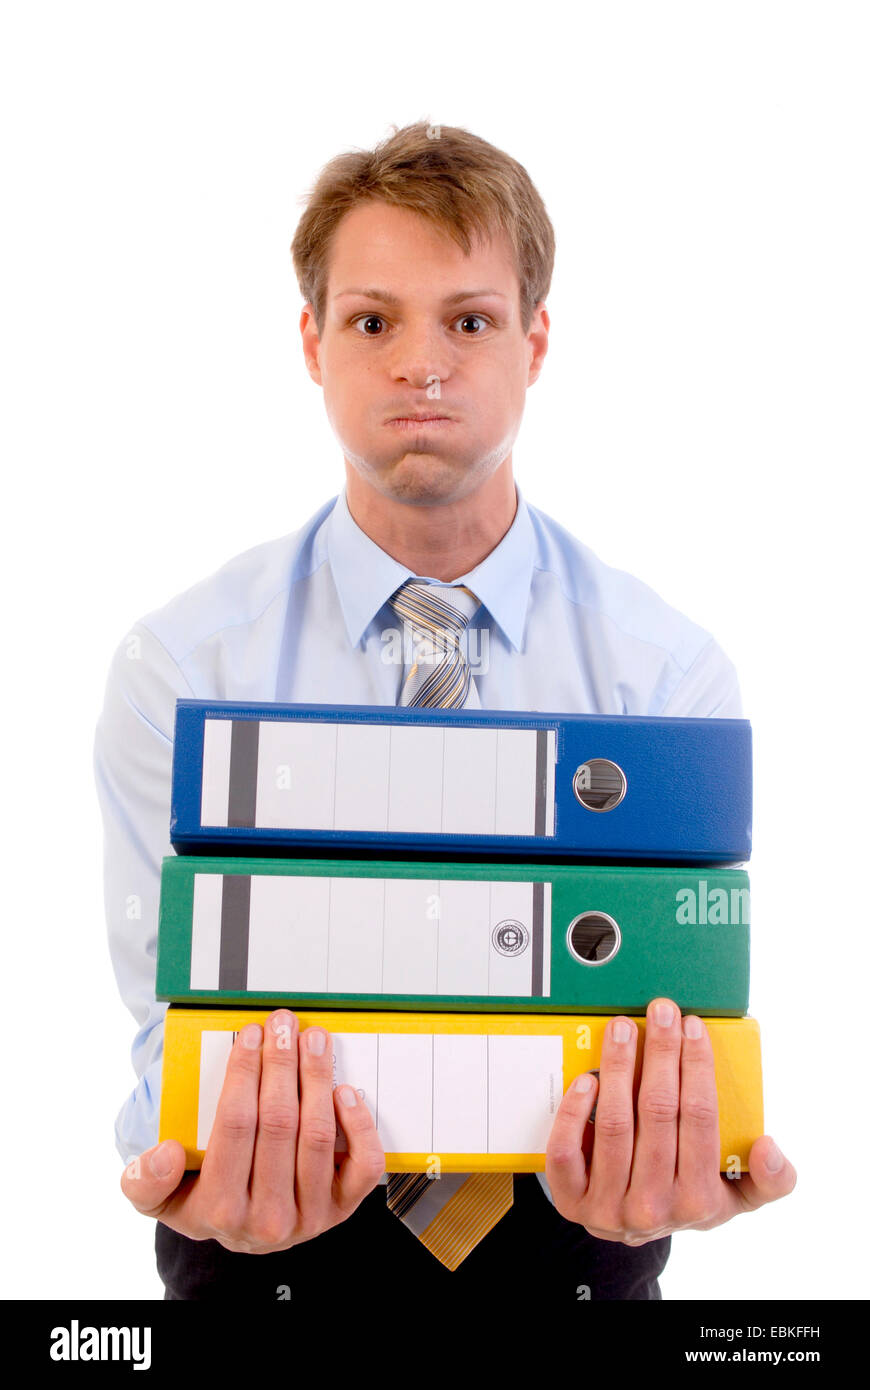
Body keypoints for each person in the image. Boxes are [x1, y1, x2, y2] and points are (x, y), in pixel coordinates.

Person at [93, 120, 796, 1304]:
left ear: (536, 342)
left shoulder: (666, 681)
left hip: (577, 1250)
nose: (423, 362)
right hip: (263, 1253)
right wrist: (190, 1157)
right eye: (375, 321)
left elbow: (686, 991)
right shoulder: (181, 669)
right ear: (314, 344)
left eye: (469, 320)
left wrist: (684, 1135)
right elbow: (171, 1008)